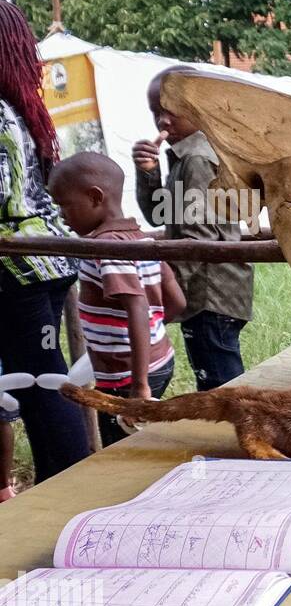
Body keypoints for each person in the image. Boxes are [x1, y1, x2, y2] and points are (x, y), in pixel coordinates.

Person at [0, 0, 92, 483]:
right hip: (46, 262)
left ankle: (69, 483)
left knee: (36, 381)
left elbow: (2, 196)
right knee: (40, 376)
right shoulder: (21, 106)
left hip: (18, 266)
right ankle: (58, 479)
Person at [48, 153, 185, 447]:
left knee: (120, 448)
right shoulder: (140, 239)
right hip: (158, 360)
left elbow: (136, 305)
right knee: (143, 440)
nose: (61, 216)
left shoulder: (107, 248)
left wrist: (139, 386)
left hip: (127, 376)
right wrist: (154, 329)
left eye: (64, 205)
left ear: (95, 197)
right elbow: (176, 302)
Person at [132, 68, 252, 390]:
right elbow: (159, 216)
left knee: (219, 387)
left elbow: (199, 238)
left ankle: (231, 439)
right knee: (218, 379)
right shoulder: (185, 157)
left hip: (209, 292)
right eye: (155, 112)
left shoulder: (198, 160)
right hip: (212, 292)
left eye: (170, 109)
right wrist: (148, 173)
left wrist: (164, 293)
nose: (162, 121)